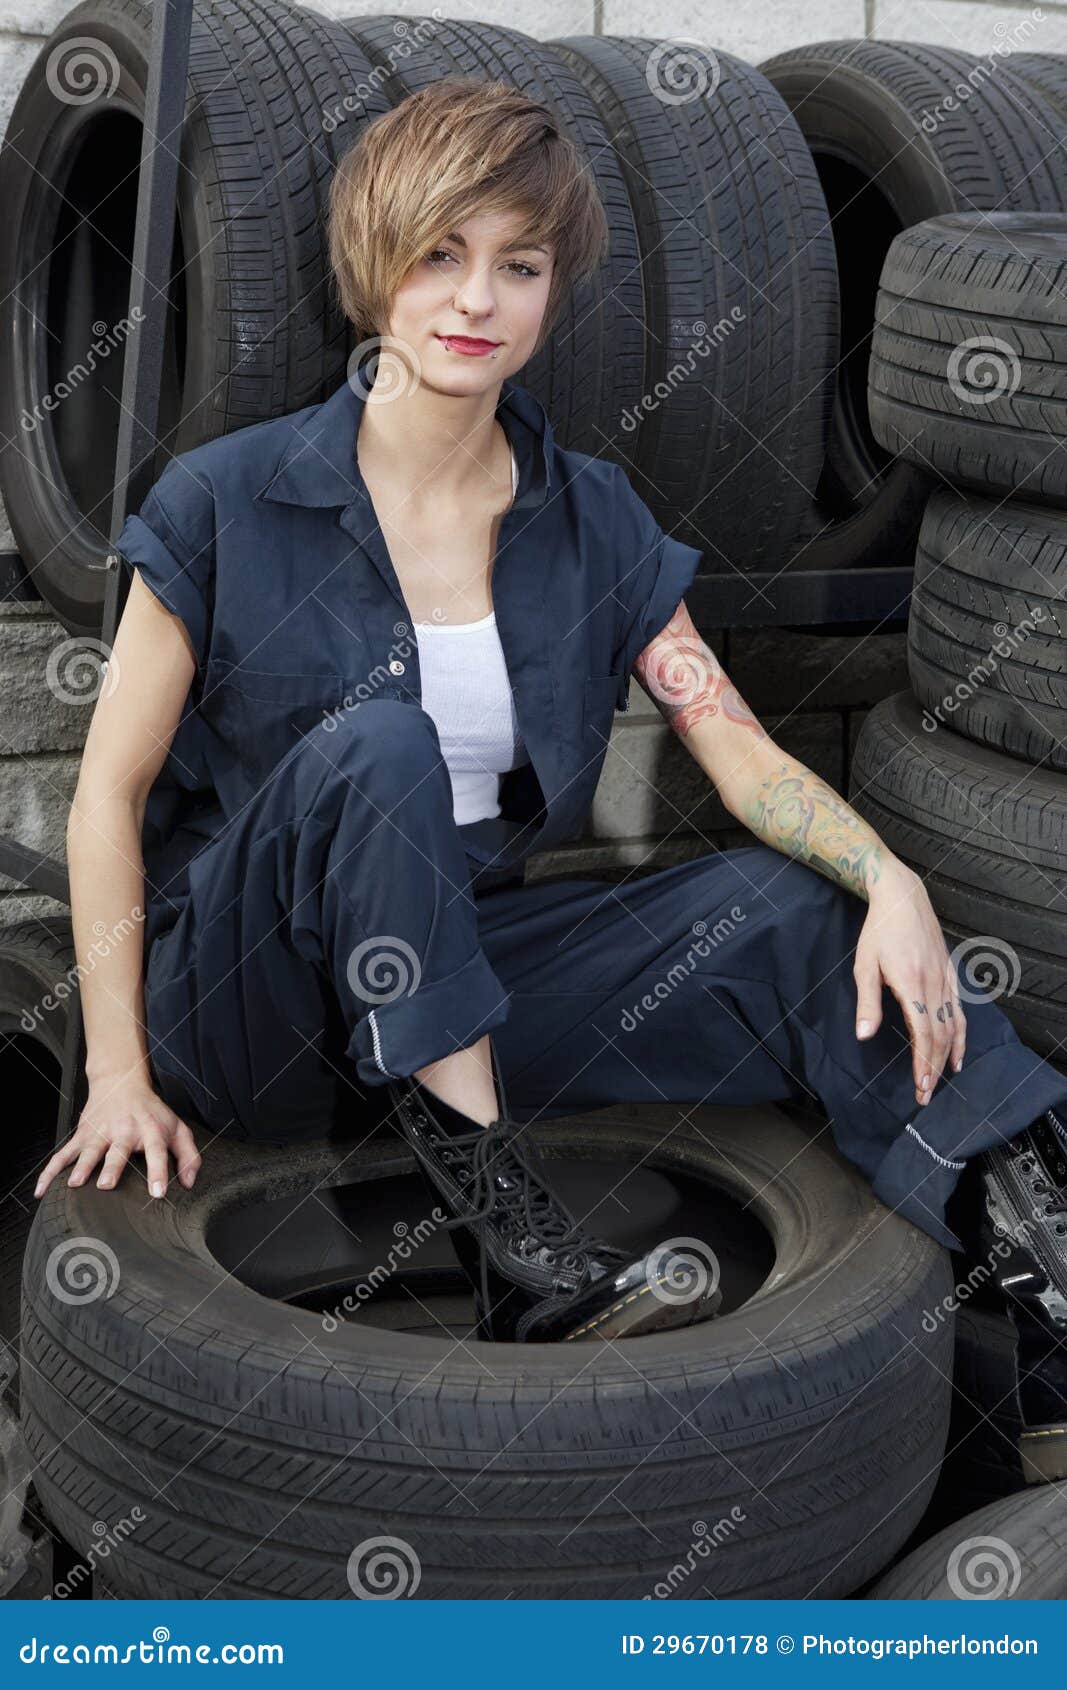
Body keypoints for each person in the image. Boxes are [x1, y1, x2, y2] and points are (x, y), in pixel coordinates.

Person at [35, 78, 1067, 1358]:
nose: (476, 300)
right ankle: (512, 1248)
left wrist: (890, 875)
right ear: (374, 271)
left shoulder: (590, 518)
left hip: (473, 966)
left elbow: (733, 745)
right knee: (380, 742)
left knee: (788, 914)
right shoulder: (223, 499)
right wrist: (121, 1076)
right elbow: (105, 799)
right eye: (439, 256)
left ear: (550, 290)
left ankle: (1031, 1267)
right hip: (253, 1010)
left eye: (516, 265)